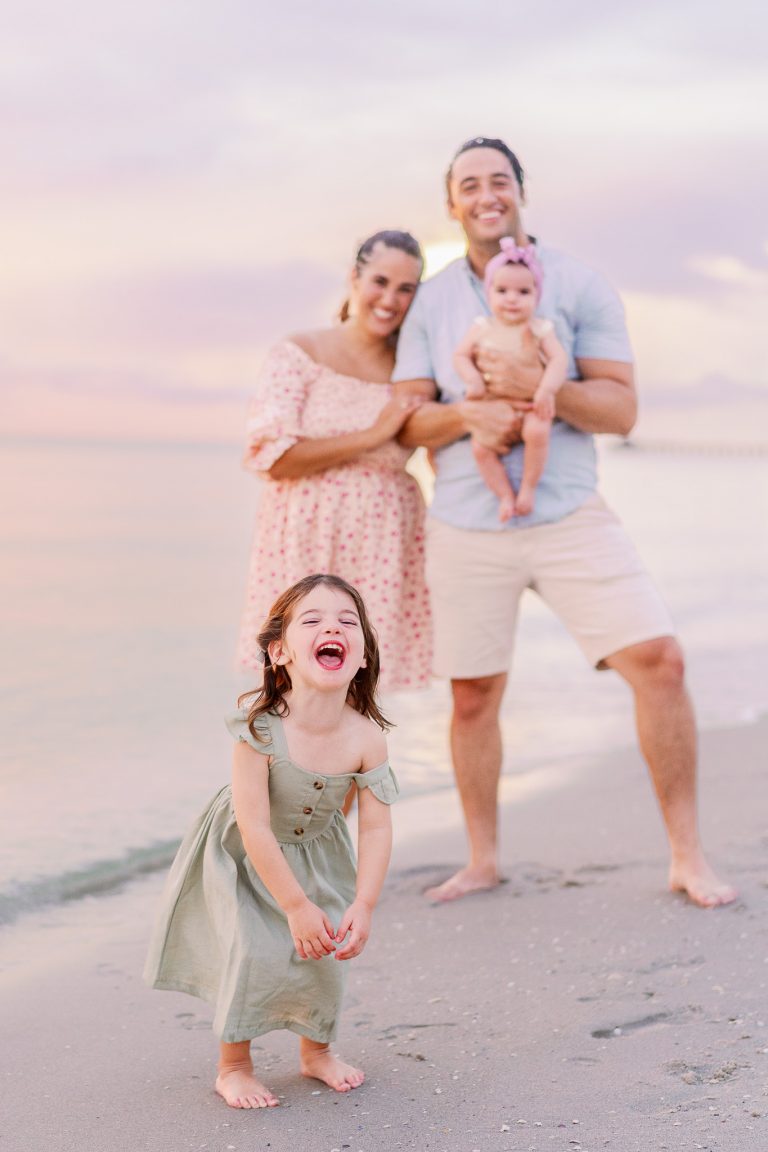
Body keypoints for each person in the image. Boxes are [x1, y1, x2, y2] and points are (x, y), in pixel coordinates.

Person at [392, 136, 736, 909]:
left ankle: (688, 856)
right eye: (469, 184)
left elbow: (622, 407)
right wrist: (469, 413)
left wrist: (545, 389)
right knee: (474, 694)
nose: (487, 194)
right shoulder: (433, 302)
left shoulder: (579, 285)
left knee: (660, 661)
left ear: (520, 191)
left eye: (500, 180)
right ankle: (482, 859)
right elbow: (409, 422)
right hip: (467, 521)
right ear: (452, 204)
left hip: (569, 509)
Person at [145, 574, 398, 1108]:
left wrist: (365, 902)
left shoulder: (367, 737)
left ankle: (316, 1052)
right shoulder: (260, 728)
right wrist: (293, 905)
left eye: (347, 622)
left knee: (324, 952)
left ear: (362, 657)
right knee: (255, 952)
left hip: (320, 854)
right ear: (280, 652)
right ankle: (234, 1066)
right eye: (313, 620)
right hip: (243, 852)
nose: (332, 626)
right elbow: (254, 824)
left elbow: (375, 825)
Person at [237, 230, 431, 693]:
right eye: (380, 282)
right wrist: (372, 436)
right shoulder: (302, 351)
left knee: (361, 690)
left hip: (384, 540)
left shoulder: (414, 368)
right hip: (305, 531)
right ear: (354, 279)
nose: (390, 299)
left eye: (406, 289)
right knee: (290, 689)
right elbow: (275, 456)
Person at [454, 235, 567, 519]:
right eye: (502, 290)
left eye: (523, 292)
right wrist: (473, 380)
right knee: (481, 448)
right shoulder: (482, 327)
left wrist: (547, 390)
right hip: (494, 402)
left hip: (531, 403)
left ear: (536, 296)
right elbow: (460, 356)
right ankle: (505, 496)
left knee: (538, 431)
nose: (512, 299)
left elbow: (558, 359)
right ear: (488, 293)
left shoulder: (540, 328)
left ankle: (528, 489)